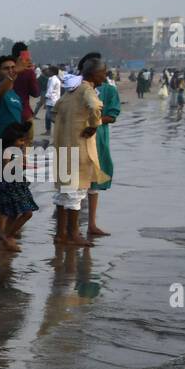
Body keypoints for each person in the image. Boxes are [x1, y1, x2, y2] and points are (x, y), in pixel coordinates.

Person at [51, 57, 106, 247]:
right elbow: (95, 106)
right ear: (94, 74)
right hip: (79, 148)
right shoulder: (86, 89)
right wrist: (94, 125)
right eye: (103, 73)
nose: (105, 77)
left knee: (63, 193)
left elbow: (54, 111)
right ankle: (73, 234)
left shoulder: (70, 92)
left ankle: (60, 234)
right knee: (76, 193)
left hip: (63, 148)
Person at [0, 121, 37, 251]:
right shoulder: (6, 151)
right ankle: (7, 236)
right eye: (21, 140)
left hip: (18, 184)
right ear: (12, 139)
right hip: (10, 185)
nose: (23, 143)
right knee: (26, 213)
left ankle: (7, 236)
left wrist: (22, 156)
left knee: (16, 214)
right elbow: (6, 168)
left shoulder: (18, 151)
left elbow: (22, 164)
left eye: (24, 140)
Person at [89, 66, 121, 240]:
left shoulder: (109, 90)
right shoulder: (78, 88)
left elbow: (112, 115)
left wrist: (94, 122)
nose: (105, 74)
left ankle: (91, 223)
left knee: (94, 181)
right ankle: (70, 228)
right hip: (78, 136)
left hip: (98, 136)